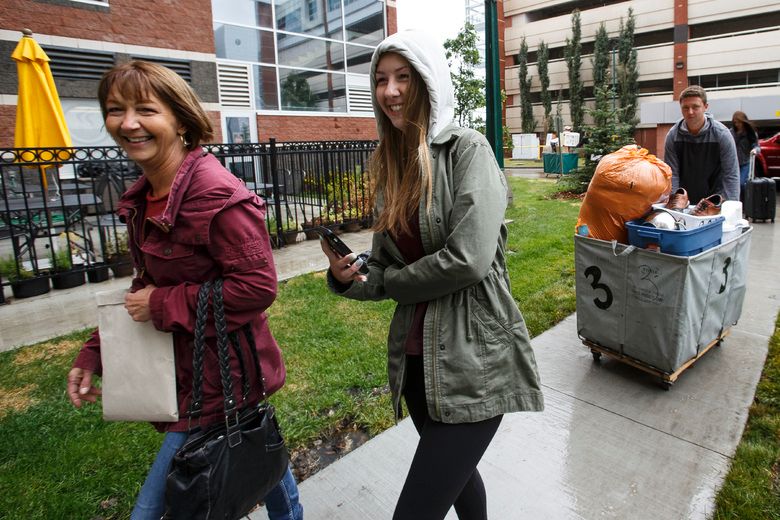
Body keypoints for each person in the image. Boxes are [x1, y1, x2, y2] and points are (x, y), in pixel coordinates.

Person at [319, 30, 544, 520]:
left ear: (427, 83)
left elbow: (469, 259)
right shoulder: (390, 164)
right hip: (417, 365)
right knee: (461, 483)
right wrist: (345, 277)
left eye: (403, 77)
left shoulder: (467, 150)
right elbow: (383, 269)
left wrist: (396, 282)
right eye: (380, 80)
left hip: (474, 361)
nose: (390, 90)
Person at [66, 61, 303, 520]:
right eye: (115, 110)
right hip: (190, 372)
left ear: (179, 118)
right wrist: (96, 352)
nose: (128, 122)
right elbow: (146, 286)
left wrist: (161, 304)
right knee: (257, 455)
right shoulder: (145, 197)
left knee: (150, 511)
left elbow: (257, 287)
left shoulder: (216, 195)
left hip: (219, 379)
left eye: (145, 109)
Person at [663, 85, 740, 204]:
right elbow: (672, 175)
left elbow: (731, 175)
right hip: (685, 200)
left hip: (714, 201)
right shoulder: (673, 136)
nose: (690, 112)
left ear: (705, 107)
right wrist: (674, 204)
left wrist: (731, 207)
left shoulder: (722, 135)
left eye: (695, 107)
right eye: (685, 108)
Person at [730, 110, 759, 191]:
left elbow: (757, 146)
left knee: (741, 183)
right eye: (735, 122)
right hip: (734, 163)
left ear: (743, 122)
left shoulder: (750, 133)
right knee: (732, 184)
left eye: (739, 122)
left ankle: (745, 200)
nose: (737, 124)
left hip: (745, 162)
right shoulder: (731, 132)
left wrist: (755, 150)